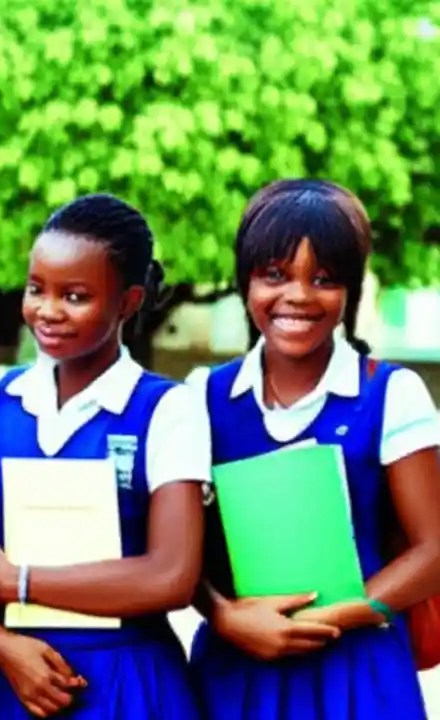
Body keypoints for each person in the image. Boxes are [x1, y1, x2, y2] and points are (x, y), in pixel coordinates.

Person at [188, 179, 440, 720]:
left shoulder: (389, 394)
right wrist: (225, 617)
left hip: (359, 671)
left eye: (324, 279)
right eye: (275, 275)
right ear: (245, 281)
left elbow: (433, 549)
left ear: (350, 289)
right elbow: (174, 547)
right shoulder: (201, 396)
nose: (298, 296)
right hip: (237, 668)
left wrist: (341, 616)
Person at [0, 194, 208, 719]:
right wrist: (0, 644)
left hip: (127, 680)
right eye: (36, 289)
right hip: (14, 679)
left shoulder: (166, 409)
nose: (48, 310)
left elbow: (172, 575)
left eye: (75, 295)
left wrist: (22, 580)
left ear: (129, 301)